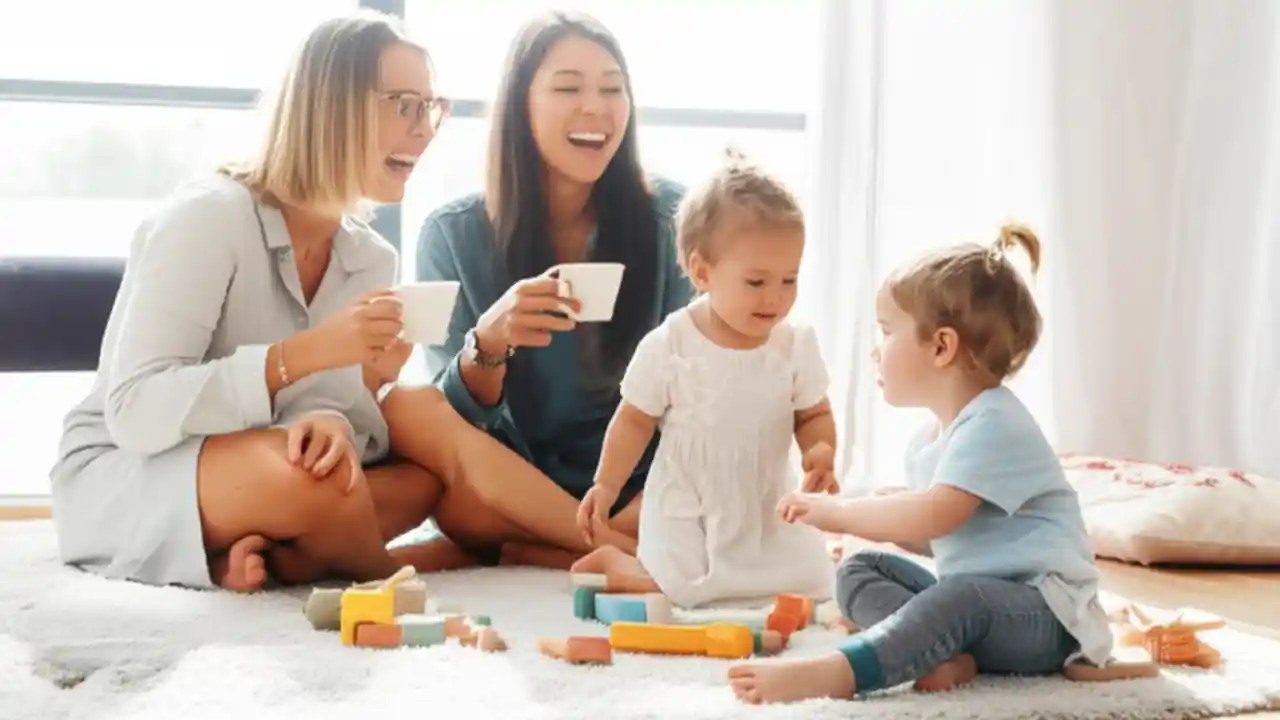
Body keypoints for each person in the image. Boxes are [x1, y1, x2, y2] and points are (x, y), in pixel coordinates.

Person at [50, 11, 446, 591]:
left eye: (432, 106)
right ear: (332, 106)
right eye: (405, 104)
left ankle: (276, 558)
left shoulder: (371, 258)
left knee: (420, 481)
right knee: (316, 484)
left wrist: (333, 416)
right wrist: (307, 353)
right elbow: (134, 410)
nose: (426, 129)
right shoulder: (207, 218)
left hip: (253, 461)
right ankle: (383, 577)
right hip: (127, 464)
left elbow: (317, 413)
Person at [727, 225, 1114, 703]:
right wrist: (887, 515)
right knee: (858, 571)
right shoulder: (929, 440)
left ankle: (843, 673)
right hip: (980, 606)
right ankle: (942, 653)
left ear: (941, 347)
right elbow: (934, 535)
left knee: (958, 598)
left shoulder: (994, 422)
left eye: (887, 333)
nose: (876, 349)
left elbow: (937, 515)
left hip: (1045, 615)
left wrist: (842, 512)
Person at [382, 10, 693, 568]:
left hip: (646, 489)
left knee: (732, 469)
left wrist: (640, 503)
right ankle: (599, 548)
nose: (596, 107)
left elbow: (701, 392)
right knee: (411, 414)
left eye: (612, 89)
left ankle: (550, 549)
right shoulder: (452, 235)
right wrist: (490, 343)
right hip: (518, 490)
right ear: (520, 105)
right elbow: (455, 428)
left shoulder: (673, 219)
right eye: (568, 88)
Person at [569, 151, 839, 607]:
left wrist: (821, 450)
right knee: (678, 582)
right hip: (689, 502)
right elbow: (634, 419)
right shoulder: (672, 343)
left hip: (763, 496)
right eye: (756, 282)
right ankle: (620, 562)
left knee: (813, 578)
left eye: (788, 280)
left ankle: (743, 569)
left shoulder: (794, 345)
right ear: (702, 271)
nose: (775, 298)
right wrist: (607, 485)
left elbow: (813, 412)